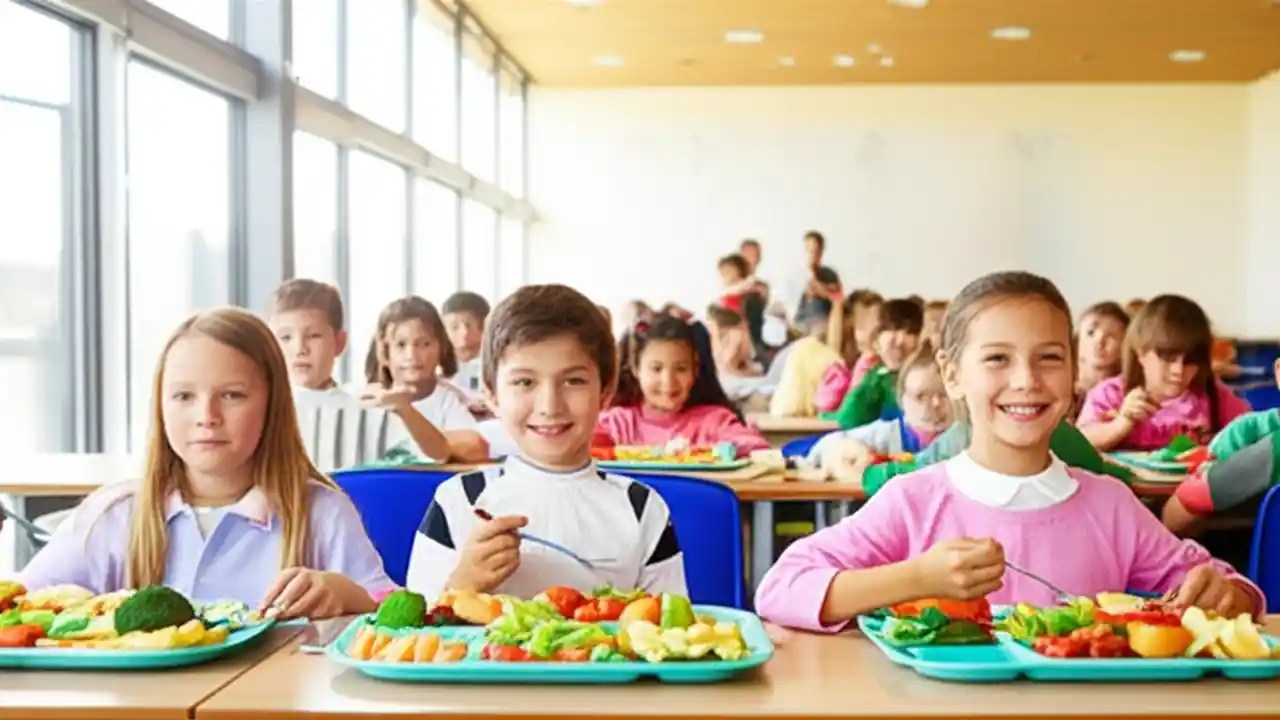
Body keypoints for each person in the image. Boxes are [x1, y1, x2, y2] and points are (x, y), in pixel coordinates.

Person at [754, 271, 1263, 632]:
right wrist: (915, 578)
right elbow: (780, 589)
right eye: (997, 358)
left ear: (1073, 374)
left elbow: (1227, 585)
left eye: (1049, 359)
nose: (1026, 381)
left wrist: (1230, 594)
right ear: (952, 374)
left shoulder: (1111, 506)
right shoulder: (913, 500)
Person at [17, 308, 393, 617]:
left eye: (232, 395)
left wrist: (347, 596)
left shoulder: (323, 512)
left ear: (272, 406)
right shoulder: (114, 515)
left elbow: (399, 615)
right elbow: (18, 603)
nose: (207, 415)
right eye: (183, 396)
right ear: (160, 407)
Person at [404, 285, 688, 600]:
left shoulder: (642, 508)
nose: (550, 406)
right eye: (525, 382)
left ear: (605, 392)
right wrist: (462, 584)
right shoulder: (460, 501)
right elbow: (406, 634)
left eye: (573, 381)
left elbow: (672, 633)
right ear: (491, 394)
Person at [1077, 295, 1250, 452]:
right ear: (1141, 352)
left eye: (1191, 359)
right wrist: (1121, 424)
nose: (1179, 370)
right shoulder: (1111, 394)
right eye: (1167, 357)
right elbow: (1078, 442)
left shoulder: (1214, 397)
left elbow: (1254, 434)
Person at [600, 315, 769, 456]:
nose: (669, 381)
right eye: (656, 369)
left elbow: (757, 448)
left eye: (681, 369)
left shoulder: (715, 421)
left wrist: (709, 452)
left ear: (695, 371)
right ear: (636, 369)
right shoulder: (618, 424)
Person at [364, 296, 491, 462]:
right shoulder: (366, 400)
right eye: (401, 345)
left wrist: (405, 409)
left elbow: (475, 447)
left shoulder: (450, 401)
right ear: (384, 351)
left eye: (424, 344)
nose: (412, 356)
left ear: (441, 347)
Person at [810, 339, 952, 479]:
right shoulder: (886, 434)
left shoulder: (965, 438)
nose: (935, 404)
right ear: (902, 399)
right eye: (921, 396)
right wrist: (850, 451)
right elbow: (824, 446)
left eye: (944, 394)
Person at [823, 298, 924, 429]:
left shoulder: (927, 380)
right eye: (891, 329)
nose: (899, 340)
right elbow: (848, 419)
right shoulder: (875, 378)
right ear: (876, 339)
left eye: (910, 332)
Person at [1073, 301, 1129, 421]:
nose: (1099, 341)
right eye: (1091, 333)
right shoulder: (1064, 393)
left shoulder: (1125, 396)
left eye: (1111, 336)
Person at [441, 291, 491, 412]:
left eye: (468, 325)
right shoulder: (436, 364)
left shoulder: (497, 363)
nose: (464, 334)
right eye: (454, 327)